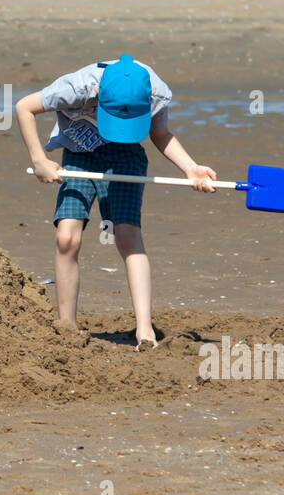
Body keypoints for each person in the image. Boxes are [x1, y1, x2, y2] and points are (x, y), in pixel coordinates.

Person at [16, 54, 217, 349]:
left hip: (125, 157)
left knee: (125, 235)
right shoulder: (77, 86)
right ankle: (67, 330)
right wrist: (39, 160)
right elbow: (24, 107)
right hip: (79, 155)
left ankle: (145, 331)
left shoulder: (156, 92)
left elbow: (159, 134)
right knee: (66, 238)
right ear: (98, 94)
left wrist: (190, 168)